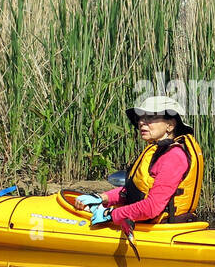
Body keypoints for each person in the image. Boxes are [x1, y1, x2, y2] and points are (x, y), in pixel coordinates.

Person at [76, 95, 203, 229]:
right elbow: (135, 191)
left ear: (170, 125)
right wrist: (101, 198)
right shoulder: (158, 152)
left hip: (163, 231)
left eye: (151, 117)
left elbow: (152, 207)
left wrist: (111, 214)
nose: (142, 122)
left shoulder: (174, 157)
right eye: (141, 118)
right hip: (151, 225)